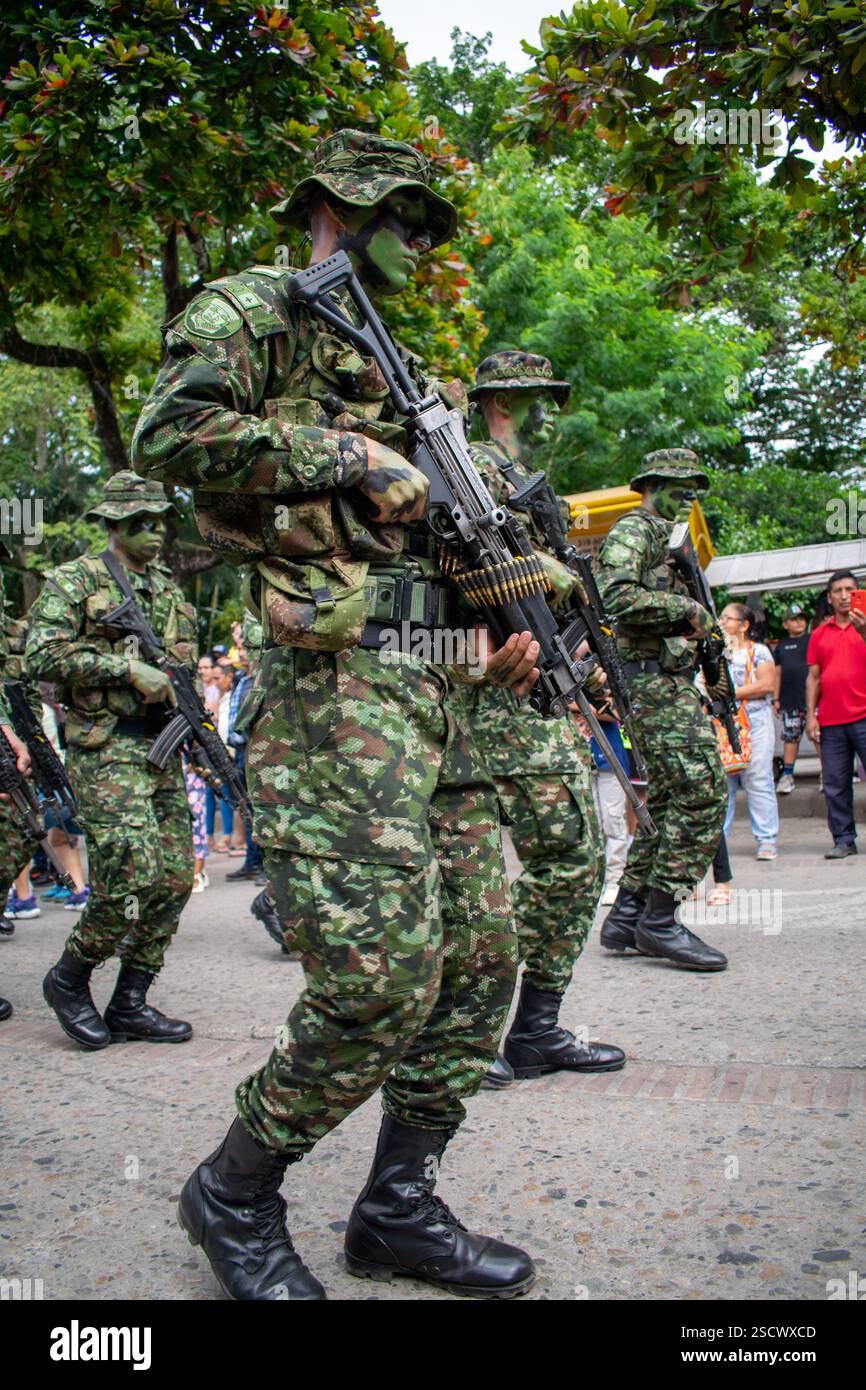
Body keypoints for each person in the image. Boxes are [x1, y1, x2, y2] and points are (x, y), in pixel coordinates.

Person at [132, 130, 541, 1301]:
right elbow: (170, 434)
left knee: (477, 958)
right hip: (328, 688)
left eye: (427, 224)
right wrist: (344, 449)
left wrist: (493, 630)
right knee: (373, 978)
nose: (416, 240)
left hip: (428, 680)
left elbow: (426, 543)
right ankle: (236, 1190)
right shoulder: (255, 307)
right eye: (399, 215)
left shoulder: (401, 359)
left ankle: (397, 1209)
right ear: (332, 208)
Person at [454, 350, 624, 1088]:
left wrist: (590, 672)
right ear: (499, 403)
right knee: (476, 883)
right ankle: (471, 1034)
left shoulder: (522, 487)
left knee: (576, 862)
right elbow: (443, 586)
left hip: (536, 701)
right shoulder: (467, 472)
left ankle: (536, 1029)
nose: (548, 413)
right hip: (489, 702)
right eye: (536, 400)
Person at [30, 472, 197, 1050]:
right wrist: (123, 669)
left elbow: (183, 671)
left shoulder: (171, 592)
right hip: (106, 750)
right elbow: (40, 653)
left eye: (159, 522)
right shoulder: (76, 580)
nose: (153, 532)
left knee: (175, 878)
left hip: (163, 750)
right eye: (139, 523)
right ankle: (70, 977)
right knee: (133, 872)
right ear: (112, 524)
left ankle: (131, 999)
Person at [597, 450, 728, 971]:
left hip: (665, 684)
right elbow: (613, 594)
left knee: (672, 801)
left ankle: (629, 915)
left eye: (695, 487)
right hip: (652, 685)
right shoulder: (638, 529)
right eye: (681, 485)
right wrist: (688, 610)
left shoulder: (667, 539)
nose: (690, 495)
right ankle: (660, 919)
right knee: (703, 791)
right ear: (651, 485)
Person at [806, 569, 866, 858]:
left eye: (850, 590)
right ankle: (844, 840)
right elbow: (814, 678)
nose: (844, 596)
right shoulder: (819, 634)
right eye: (838, 591)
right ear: (830, 598)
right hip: (831, 721)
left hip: (865, 717)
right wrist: (810, 715)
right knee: (834, 784)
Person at [719, 603, 779, 861]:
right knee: (724, 783)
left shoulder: (760, 651)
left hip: (755, 720)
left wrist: (729, 695)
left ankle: (766, 839)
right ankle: (718, 843)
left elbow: (766, 684)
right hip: (722, 722)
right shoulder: (718, 653)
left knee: (758, 778)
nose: (721, 622)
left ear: (744, 625)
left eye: (727, 618)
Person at [773, 603, 810, 794]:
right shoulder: (781, 646)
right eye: (794, 619)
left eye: (802, 618)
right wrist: (775, 699)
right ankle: (787, 775)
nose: (799, 622)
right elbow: (777, 674)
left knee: (820, 737)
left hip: (813, 700)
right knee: (791, 737)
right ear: (785, 624)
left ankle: (827, 775)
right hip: (790, 700)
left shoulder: (812, 640)